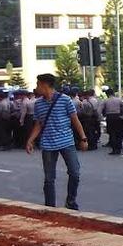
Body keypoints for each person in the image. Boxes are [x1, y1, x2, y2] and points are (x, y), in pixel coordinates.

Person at [26, 73, 90, 209]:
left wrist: (83, 138)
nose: (36, 88)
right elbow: (38, 124)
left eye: (38, 85)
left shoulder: (65, 100)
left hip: (67, 142)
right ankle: (50, 207)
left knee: (75, 172)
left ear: (45, 85)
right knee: (49, 178)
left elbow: (75, 120)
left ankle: (71, 201)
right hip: (48, 145)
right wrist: (30, 140)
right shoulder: (38, 104)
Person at [101, 88, 123, 155]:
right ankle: (118, 148)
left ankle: (114, 149)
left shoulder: (105, 101)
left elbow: (99, 110)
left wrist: (101, 118)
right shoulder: (119, 100)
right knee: (119, 133)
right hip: (118, 117)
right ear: (113, 93)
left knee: (112, 133)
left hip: (110, 117)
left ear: (107, 94)